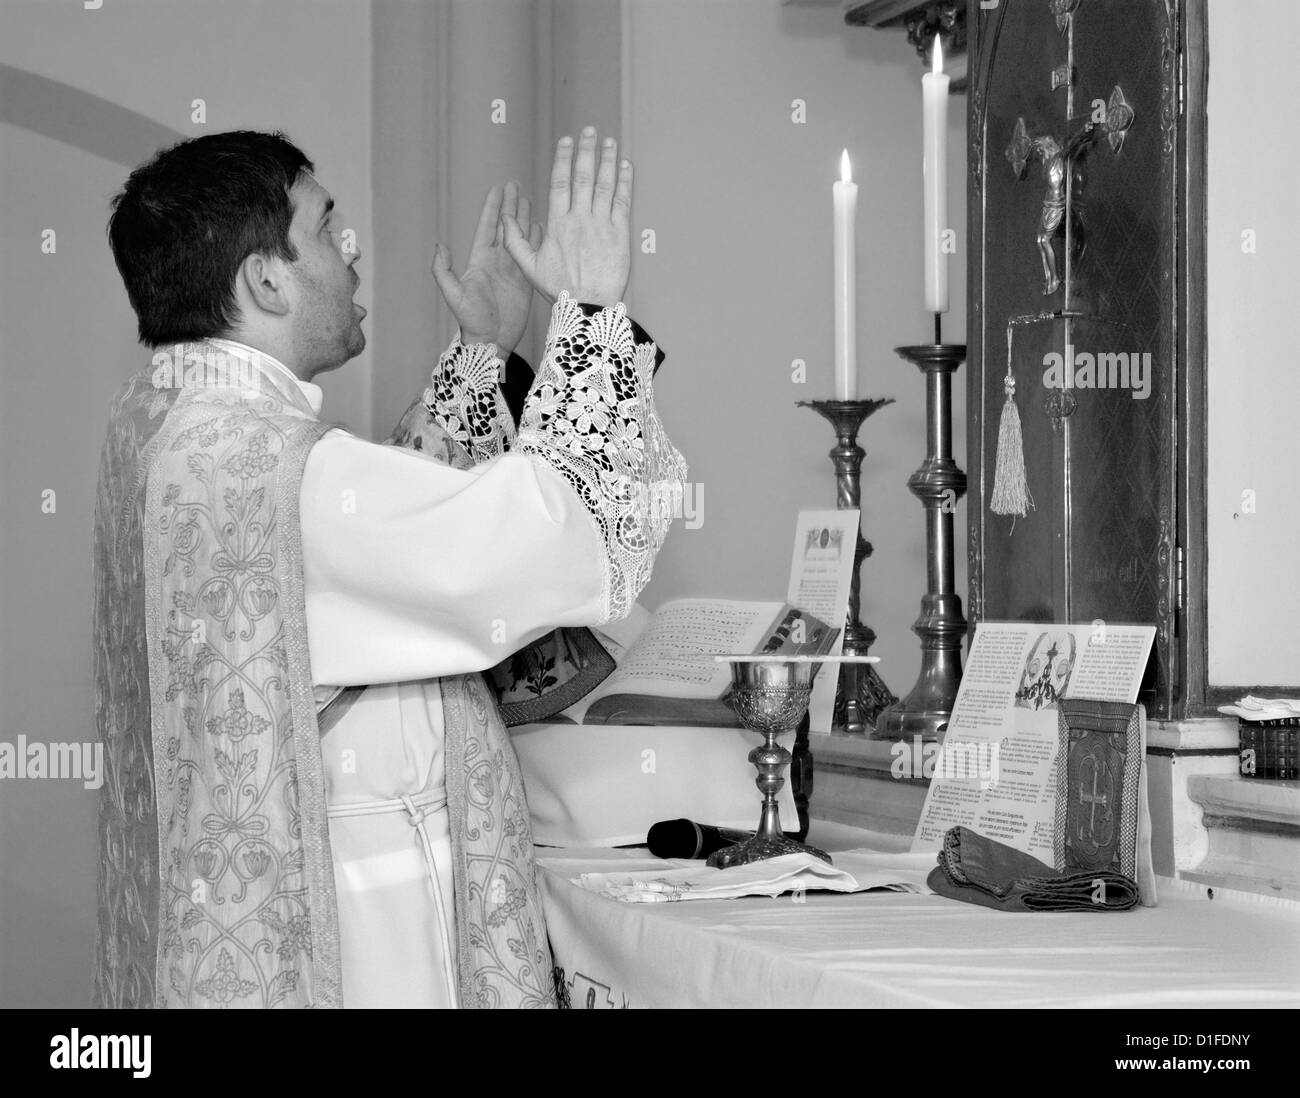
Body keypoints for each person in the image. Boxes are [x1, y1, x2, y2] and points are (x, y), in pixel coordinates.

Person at [93, 126, 686, 1008]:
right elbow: (531, 547)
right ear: (266, 277)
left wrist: (483, 352)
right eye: (327, 227)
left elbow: (378, 558)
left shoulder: (166, 427)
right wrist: (591, 314)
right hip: (360, 928)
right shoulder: (275, 468)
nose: (352, 246)